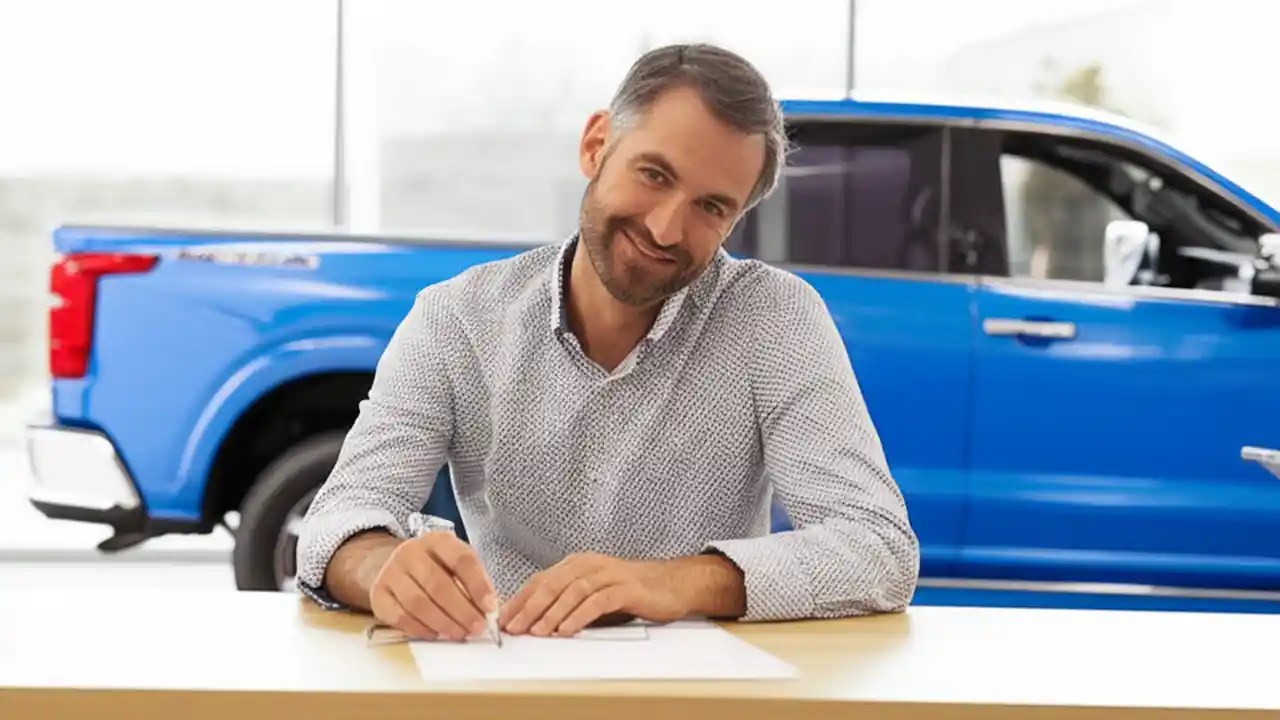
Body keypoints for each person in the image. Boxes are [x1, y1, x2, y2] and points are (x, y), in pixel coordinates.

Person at [296, 43, 919, 641]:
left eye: (710, 207)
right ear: (596, 145)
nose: (665, 228)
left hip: (702, 686)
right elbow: (341, 517)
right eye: (654, 174)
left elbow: (879, 547)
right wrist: (381, 567)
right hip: (509, 673)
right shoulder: (457, 319)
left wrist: (676, 583)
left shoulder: (772, 318)